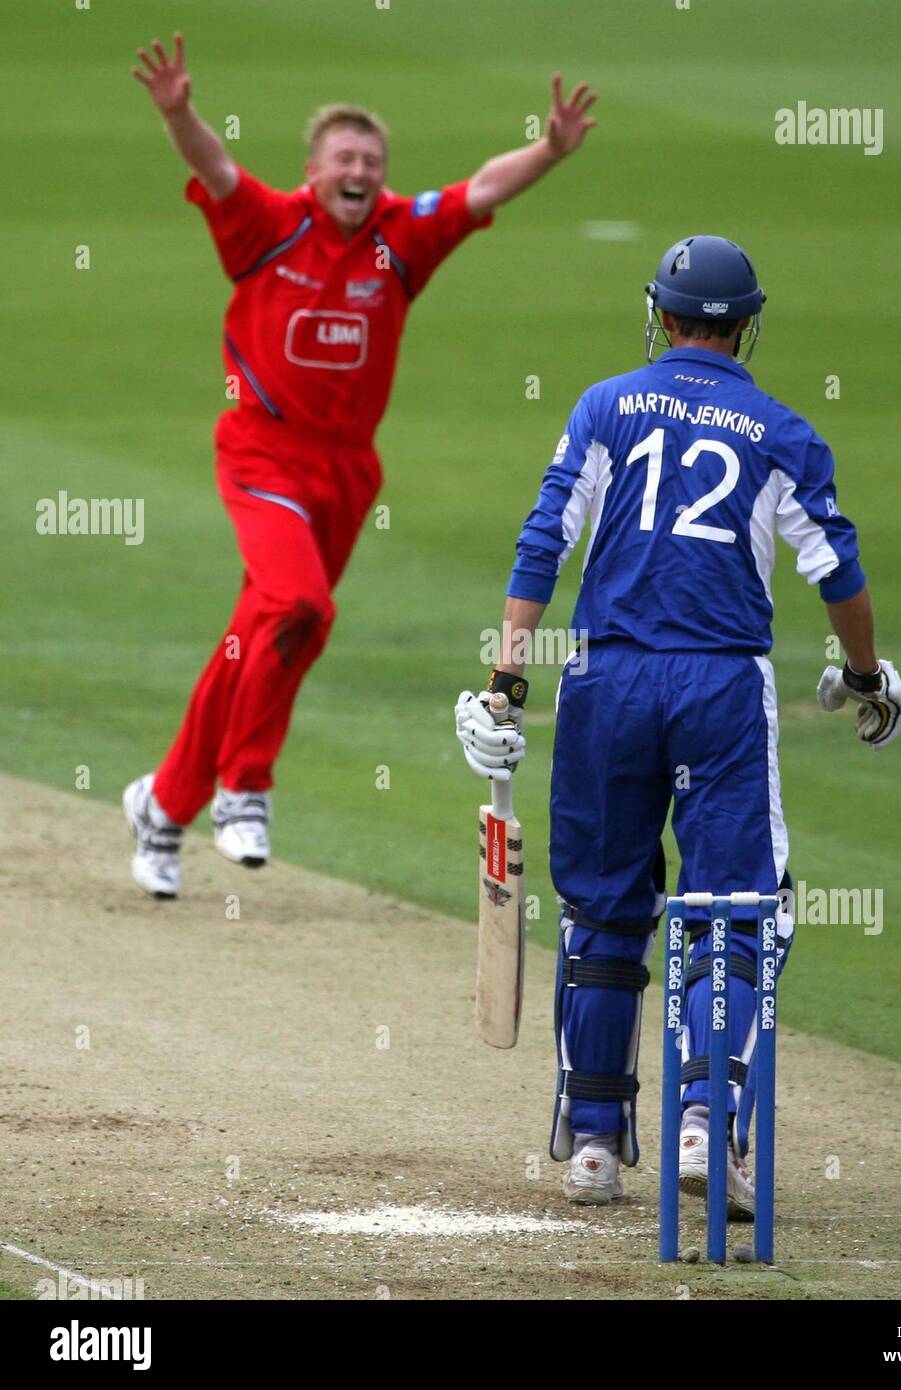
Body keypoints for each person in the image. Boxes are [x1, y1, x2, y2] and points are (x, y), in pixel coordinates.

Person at [455, 235, 901, 1207]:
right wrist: (865, 675)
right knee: (741, 909)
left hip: (604, 681)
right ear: (747, 327)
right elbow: (839, 572)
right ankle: (706, 1125)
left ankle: (592, 1143)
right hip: (718, 690)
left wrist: (506, 680)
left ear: (659, 316)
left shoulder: (604, 405)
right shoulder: (782, 431)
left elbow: (545, 538)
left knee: (606, 908)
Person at [121, 33, 598, 898]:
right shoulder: (271, 224)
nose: (361, 169)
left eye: (373, 159)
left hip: (346, 475)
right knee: (299, 603)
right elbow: (220, 169)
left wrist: (552, 150)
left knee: (261, 638)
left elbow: (481, 188)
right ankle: (245, 790)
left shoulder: (400, 237)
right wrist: (178, 110)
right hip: (264, 454)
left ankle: (162, 804)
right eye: (345, 156)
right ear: (314, 167)